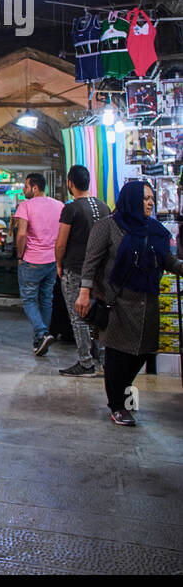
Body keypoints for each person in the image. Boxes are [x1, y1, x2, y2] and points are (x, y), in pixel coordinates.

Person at [76, 180, 183, 426]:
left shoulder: (154, 229)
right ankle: (117, 405)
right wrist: (84, 292)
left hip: (148, 304)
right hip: (118, 303)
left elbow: (167, 260)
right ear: (132, 199)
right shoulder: (108, 227)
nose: (151, 202)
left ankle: (123, 395)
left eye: (151, 198)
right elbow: (91, 262)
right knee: (116, 356)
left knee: (142, 353)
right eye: (145, 198)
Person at [54, 165, 111, 376]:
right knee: (99, 316)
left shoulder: (71, 209)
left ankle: (86, 362)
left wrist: (59, 263)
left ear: (70, 183)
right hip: (99, 272)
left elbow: (61, 242)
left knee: (78, 317)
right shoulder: (104, 207)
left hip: (75, 269)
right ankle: (104, 361)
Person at [14, 172, 64, 356]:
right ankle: (39, 341)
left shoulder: (25, 206)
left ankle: (42, 333)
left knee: (28, 299)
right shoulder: (59, 206)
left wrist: (20, 255)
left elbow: (21, 234)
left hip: (32, 260)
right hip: (52, 260)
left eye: (25, 186)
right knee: (46, 300)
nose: (23, 189)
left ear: (35, 188)